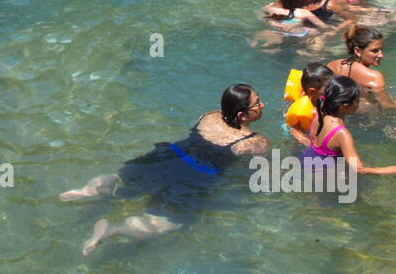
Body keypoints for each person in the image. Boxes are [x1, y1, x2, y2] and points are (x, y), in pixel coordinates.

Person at [60, 85, 270, 255]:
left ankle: (87, 191)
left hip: (168, 157)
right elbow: (256, 175)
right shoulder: (255, 142)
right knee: (163, 223)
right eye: (257, 102)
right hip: (195, 177)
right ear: (243, 114)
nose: (262, 104)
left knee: (122, 180)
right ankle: (113, 231)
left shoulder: (209, 116)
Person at [302, 76, 396, 179]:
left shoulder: (319, 113)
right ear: (344, 107)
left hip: (307, 159)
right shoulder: (342, 134)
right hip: (324, 174)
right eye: (356, 101)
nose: (359, 103)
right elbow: (359, 170)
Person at [282, 62, 333, 147]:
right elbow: (295, 132)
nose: (332, 90)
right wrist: (313, 146)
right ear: (312, 91)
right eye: (328, 89)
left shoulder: (315, 96)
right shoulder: (301, 109)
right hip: (298, 138)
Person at [262, 0, 328, 37]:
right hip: (299, 34)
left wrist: (271, 22)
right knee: (316, 33)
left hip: (279, 33)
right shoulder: (303, 13)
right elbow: (324, 27)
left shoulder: (270, 8)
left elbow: (263, 15)